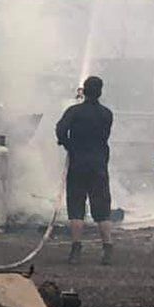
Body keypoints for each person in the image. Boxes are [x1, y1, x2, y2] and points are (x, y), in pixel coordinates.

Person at [55, 75, 114, 265]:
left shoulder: (74, 111)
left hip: (78, 163)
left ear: (84, 91)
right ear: (100, 92)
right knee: (102, 208)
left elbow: (60, 129)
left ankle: (76, 250)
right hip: (98, 164)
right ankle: (107, 249)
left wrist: (68, 145)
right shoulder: (107, 114)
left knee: (76, 206)